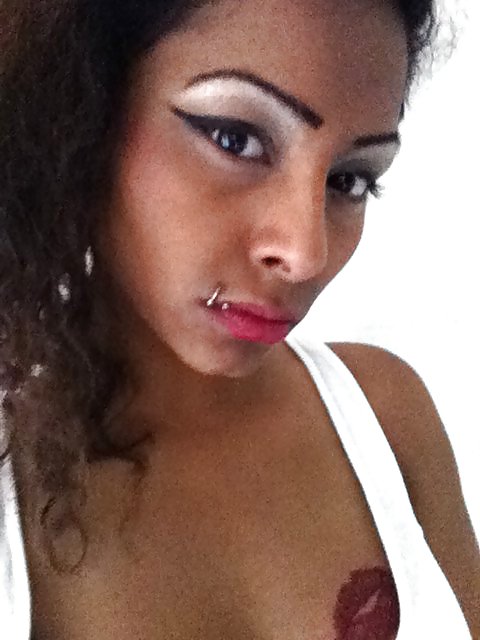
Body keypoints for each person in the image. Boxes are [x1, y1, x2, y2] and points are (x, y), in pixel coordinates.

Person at [0, 0, 479, 638]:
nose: (305, 253)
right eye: (236, 139)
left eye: (349, 180)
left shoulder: (386, 420)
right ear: (81, 114)